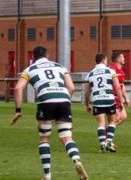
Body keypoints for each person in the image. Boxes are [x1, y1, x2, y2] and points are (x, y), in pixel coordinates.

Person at [11, 46, 88, 180]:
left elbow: (18, 89)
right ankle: (76, 160)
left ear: (33, 57)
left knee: (44, 138)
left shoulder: (29, 69)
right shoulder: (60, 66)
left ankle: (47, 175)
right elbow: (71, 87)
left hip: (45, 100)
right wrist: (64, 101)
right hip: (63, 99)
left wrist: (18, 111)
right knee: (66, 137)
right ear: (47, 55)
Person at [84, 53, 120, 152]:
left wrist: (87, 104)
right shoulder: (110, 71)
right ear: (104, 60)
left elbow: (87, 92)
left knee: (100, 123)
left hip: (97, 100)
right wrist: (121, 101)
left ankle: (102, 145)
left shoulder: (90, 74)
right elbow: (117, 87)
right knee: (112, 121)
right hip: (109, 99)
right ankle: (109, 141)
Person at [109, 51, 130, 127]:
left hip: (118, 97)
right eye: (122, 57)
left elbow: (121, 85)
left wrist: (126, 98)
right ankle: (106, 134)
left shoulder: (121, 70)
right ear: (118, 59)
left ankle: (106, 131)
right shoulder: (112, 69)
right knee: (116, 118)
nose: (124, 58)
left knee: (123, 116)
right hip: (112, 96)